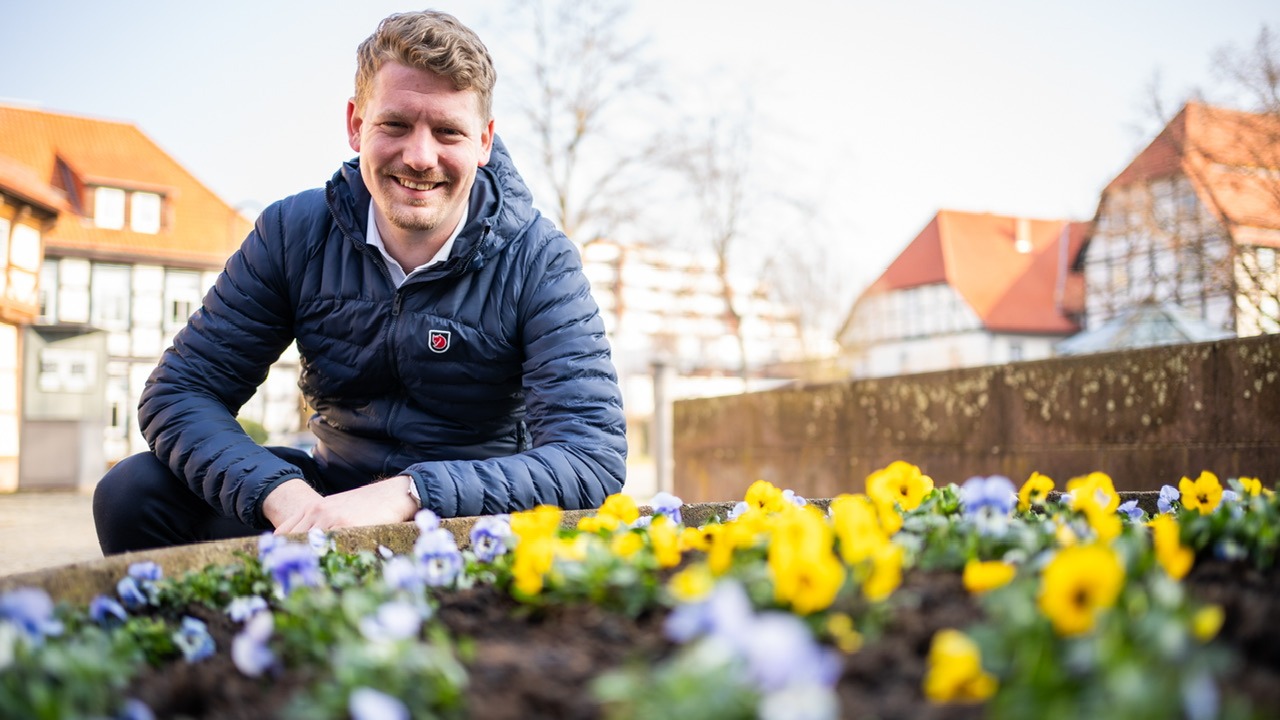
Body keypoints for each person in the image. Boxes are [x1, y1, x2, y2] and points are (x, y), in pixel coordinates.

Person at [92, 10, 627, 554]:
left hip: (470, 521)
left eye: (448, 131)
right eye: (395, 125)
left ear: (484, 141)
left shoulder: (540, 258)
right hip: (327, 499)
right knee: (134, 491)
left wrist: (412, 493)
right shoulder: (293, 233)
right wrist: (280, 494)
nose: (420, 157)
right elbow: (182, 391)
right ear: (355, 124)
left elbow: (590, 455)